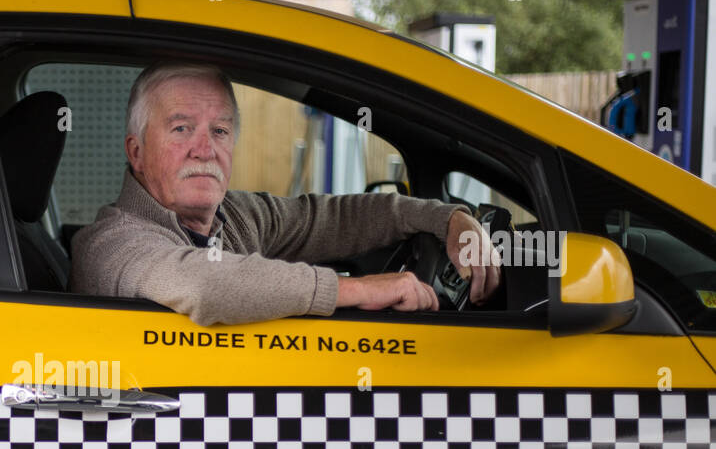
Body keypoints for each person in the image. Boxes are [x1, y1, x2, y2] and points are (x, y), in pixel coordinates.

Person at [70, 62, 502, 326]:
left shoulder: (236, 217)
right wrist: (360, 290)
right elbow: (203, 283)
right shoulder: (110, 244)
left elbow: (339, 219)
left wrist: (446, 218)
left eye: (219, 130)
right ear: (137, 152)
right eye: (181, 128)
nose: (204, 149)